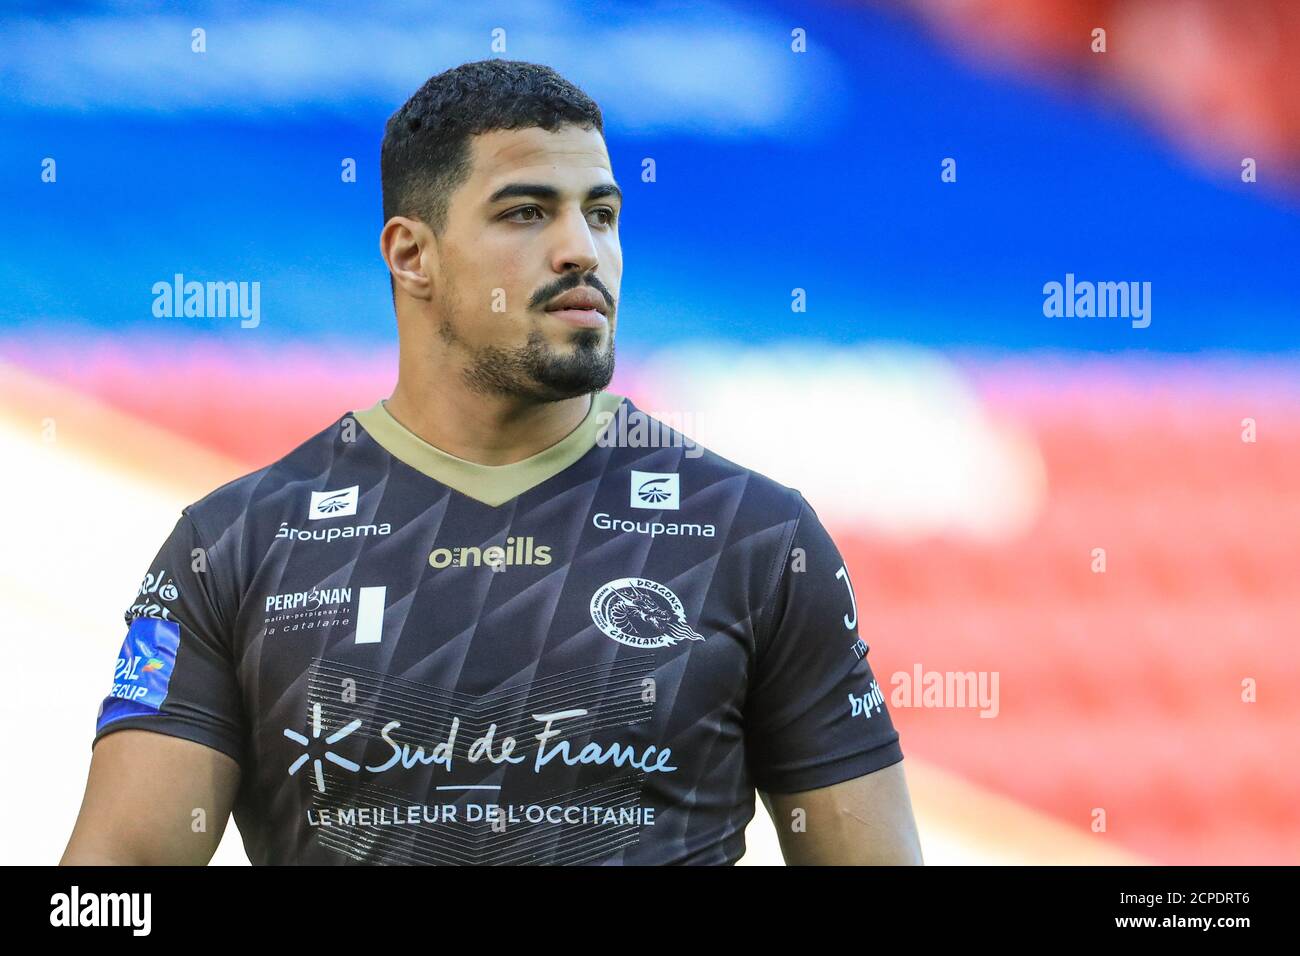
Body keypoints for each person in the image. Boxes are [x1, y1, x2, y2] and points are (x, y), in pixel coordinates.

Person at [61, 59, 922, 866]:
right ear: (411, 255)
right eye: (526, 212)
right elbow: (115, 880)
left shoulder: (756, 537)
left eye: (603, 212)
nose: (582, 248)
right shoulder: (238, 543)